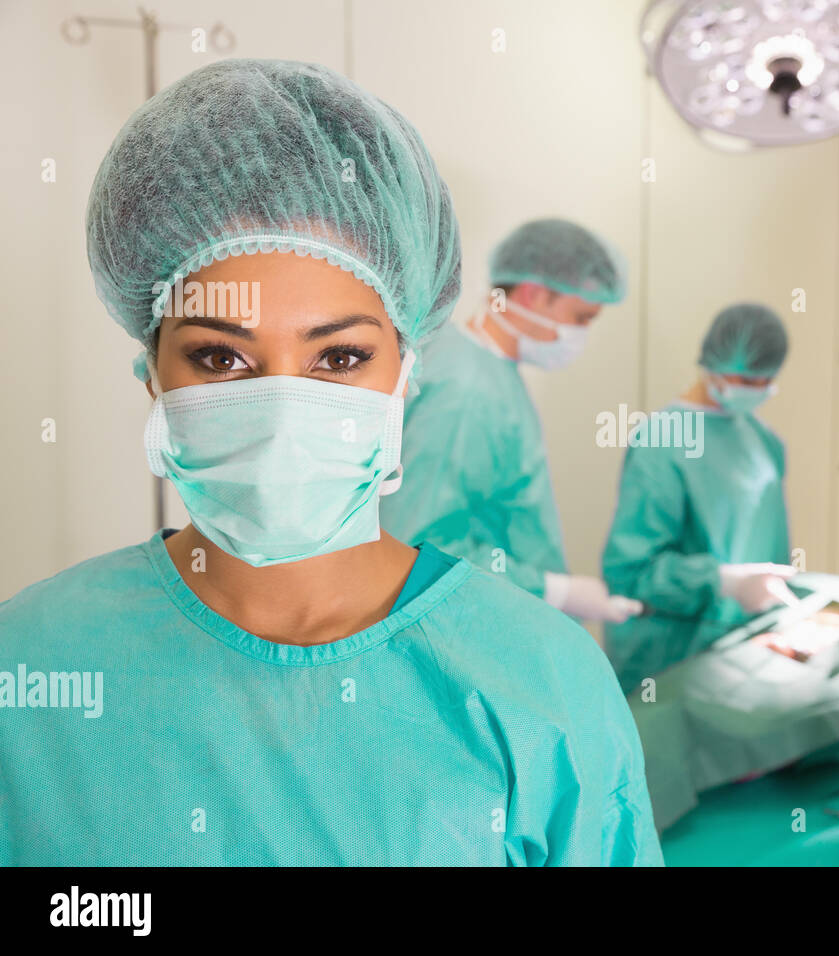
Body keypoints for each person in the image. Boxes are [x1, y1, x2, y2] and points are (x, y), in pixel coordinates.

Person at [0, 59, 661, 866]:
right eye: (219, 358)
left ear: (406, 377)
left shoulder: (543, 684)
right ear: (153, 378)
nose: (282, 414)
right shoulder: (30, 667)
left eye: (339, 358)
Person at [380, 218, 640, 623]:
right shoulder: (467, 392)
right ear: (535, 295)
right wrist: (555, 591)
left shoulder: (474, 362)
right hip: (474, 626)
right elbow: (420, 541)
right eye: (582, 317)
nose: (582, 334)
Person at [602, 303, 797, 692]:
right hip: (671, 657)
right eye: (743, 378)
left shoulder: (763, 439)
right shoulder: (662, 442)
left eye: (764, 381)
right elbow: (633, 572)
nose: (754, 390)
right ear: (713, 361)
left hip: (747, 647)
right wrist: (725, 583)